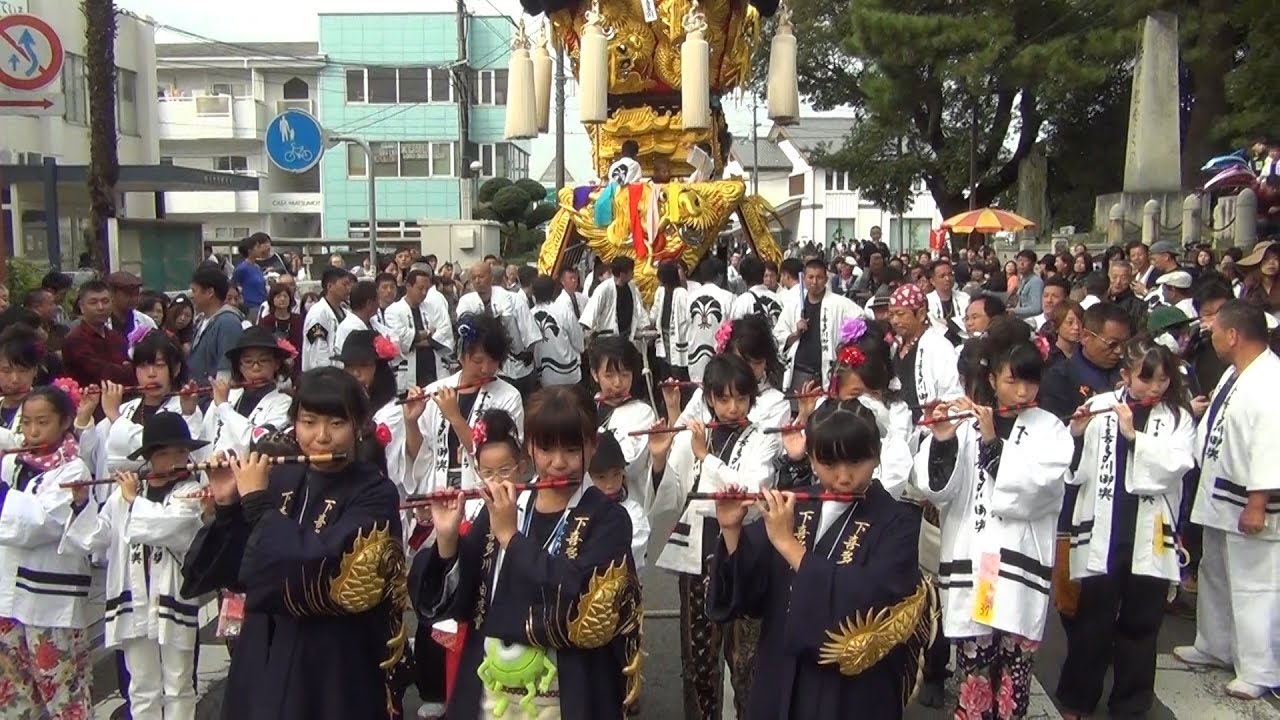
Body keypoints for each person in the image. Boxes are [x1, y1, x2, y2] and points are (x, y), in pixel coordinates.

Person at [180, 367, 407, 720]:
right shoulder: (280, 476)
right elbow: (237, 573)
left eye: (336, 423)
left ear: (359, 425)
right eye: (309, 421)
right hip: (263, 652)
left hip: (332, 662)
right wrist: (228, 505)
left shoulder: (375, 493)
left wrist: (256, 503)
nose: (321, 436)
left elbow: (326, 568)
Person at [407, 386, 643, 719]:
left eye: (572, 450)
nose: (559, 464)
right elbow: (456, 604)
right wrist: (446, 540)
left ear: (592, 446)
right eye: (546, 449)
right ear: (529, 448)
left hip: (568, 689)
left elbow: (582, 602)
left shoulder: (609, 519)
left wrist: (512, 539)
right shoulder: (506, 507)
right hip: (491, 689)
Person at [709, 400, 937, 720]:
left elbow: (871, 599)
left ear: (876, 456)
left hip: (852, 692)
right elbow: (750, 593)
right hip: (781, 670)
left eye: (856, 461)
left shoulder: (897, 522)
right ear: (812, 459)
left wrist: (791, 547)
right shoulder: (796, 506)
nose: (844, 477)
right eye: (829, 463)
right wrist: (732, 529)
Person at [913, 323, 1074, 720]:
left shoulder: (1049, 429)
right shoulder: (965, 425)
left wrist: (991, 444)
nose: (1023, 392)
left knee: (1013, 683)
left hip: (1019, 569)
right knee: (974, 678)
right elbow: (937, 491)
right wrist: (944, 439)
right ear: (991, 378)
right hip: (974, 565)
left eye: (1031, 382)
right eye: (1013, 381)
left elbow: (1041, 491)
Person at [1056, 339, 1197, 719]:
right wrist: (1078, 433)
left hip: (1149, 529)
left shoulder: (1178, 416)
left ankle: (1131, 704)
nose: (1154, 389)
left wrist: (1135, 437)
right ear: (1125, 375)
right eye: (1146, 380)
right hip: (1107, 525)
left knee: (1142, 622)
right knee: (1093, 620)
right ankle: (1077, 697)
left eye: (1163, 381)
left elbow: (1178, 465)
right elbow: (1076, 472)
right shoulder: (1102, 405)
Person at [651, 354, 778, 719]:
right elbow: (673, 498)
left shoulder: (761, 439)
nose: (733, 407)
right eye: (723, 399)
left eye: (741, 398)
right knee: (698, 656)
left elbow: (749, 491)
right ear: (709, 398)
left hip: (741, 547)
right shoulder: (695, 433)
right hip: (698, 550)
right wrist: (660, 460)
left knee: (744, 657)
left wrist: (706, 458)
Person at [63, 412, 208, 720]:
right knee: (141, 686)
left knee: (178, 684)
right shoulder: (124, 494)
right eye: (164, 453)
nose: (174, 460)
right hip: (132, 602)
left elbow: (171, 527)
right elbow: (97, 537)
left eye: (181, 452)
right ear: (149, 458)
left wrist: (132, 502)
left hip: (171, 602)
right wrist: (81, 503)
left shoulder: (190, 491)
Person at [1173, 301, 1280, 699]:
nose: (1211, 336)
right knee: (1215, 571)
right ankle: (1214, 644)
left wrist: (1257, 500)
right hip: (1219, 489)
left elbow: (1272, 443)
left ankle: (1259, 667)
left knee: (1255, 584)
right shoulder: (1237, 373)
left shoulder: (1270, 379)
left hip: (1250, 497)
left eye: (1215, 330)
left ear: (1233, 335)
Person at [0, 383, 98, 719]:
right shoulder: (13, 463)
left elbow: (38, 524)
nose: (32, 430)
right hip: (6, 596)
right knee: (13, 695)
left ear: (65, 421)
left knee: (63, 694)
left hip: (49, 601)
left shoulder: (74, 470)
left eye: (42, 422)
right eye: (26, 422)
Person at [405, 313, 524, 521]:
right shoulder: (436, 391)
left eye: (493, 361)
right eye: (478, 360)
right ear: (461, 356)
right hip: (440, 495)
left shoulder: (508, 396)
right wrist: (411, 422)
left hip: (483, 496)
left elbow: (499, 457)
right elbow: (420, 458)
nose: (486, 369)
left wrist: (455, 418)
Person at [95, 331, 203, 481]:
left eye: (159, 365)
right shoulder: (125, 409)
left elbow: (155, 451)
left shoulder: (186, 408)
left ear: (176, 368)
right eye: (143, 366)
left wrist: (115, 417)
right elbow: (95, 455)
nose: (151, 374)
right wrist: (84, 418)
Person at [201, 326, 295, 458]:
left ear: (277, 364)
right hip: (212, 474)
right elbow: (203, 443)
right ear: (239, 366)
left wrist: (223, 407)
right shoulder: (227, 396)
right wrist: (189, 412)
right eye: (248, 361)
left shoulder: (284, 403)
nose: (256, 367)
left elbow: (259, 441)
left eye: (263, 361)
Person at [590, 337, 659, 511]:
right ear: (594, 374)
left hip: (627, 504)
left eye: (625, 374)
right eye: (609, 375)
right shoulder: (586, 408)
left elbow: (629, 463)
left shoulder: (642, 413)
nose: (618, 383)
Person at [775, 258, 860, 395]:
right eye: (810, 277)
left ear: (826, 279)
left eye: (819, 277)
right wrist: (796, 333)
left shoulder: (840, 304)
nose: (814, 282)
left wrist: (844, 344)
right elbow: (778, 335)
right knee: (799, 412)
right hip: (800, 371)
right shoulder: (794, 304)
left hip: (827, 371)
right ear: (804, 279)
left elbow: (861, 320)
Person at [63, 279, 135, 387]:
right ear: (81, 306)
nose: (100, 307)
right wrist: (127, 370)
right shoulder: (75, 339)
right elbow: (100, 373)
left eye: (105, 301)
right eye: (93, 302)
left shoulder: (116, 337)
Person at [188, 265, 246, 384]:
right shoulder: (201, 320)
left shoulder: (227, 323)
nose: (192, 296)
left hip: (212, 398)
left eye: (194, 290)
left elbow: (226, 370)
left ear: (210, 292)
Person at [531, 275, 585, 386]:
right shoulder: (563, 310)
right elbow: (578, 341)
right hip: (569, 373)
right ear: (553, 291)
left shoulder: (530, 314)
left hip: (545, 375)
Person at [301, 266, 354, 372]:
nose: (349, 288)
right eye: (344, 284)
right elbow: (318, 350)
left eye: (349, 284)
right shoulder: (318, 313)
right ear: (330, 286)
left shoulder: (345, 312)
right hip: (323, 375)